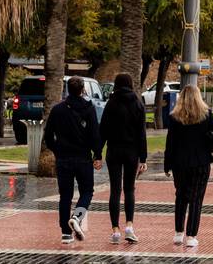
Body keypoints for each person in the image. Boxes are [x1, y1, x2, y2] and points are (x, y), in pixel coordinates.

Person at [43, 75, 103, 243]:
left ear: (68, 89)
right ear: (83, 89)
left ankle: (65, 232)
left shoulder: (57, 109)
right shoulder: (89, 109)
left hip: (64, 159)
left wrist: (57, 150)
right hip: (83, 157)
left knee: (65, 195)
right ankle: (77, 217)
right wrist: (97, 155)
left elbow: (48, 136)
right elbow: (94, 135)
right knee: (87, 191)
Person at [164, 84, 213, 249]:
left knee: (181, 196)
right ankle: (191, 235)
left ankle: (178, 233)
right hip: (201, 162)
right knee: (196, 199)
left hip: (179, 163)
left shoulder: (174, 117)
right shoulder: (205, 115)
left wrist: (167, 165)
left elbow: (170, 143)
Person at [99, 72, 147, 244]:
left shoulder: (111, 104)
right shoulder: (138, 104)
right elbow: (142, 134)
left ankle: (115, 230)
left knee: (115, 190)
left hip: (114, 150)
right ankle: (129, 226)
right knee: (129, 189)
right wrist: (143, 158)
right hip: (132, 151)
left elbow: (102, 130)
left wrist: (97, 154)